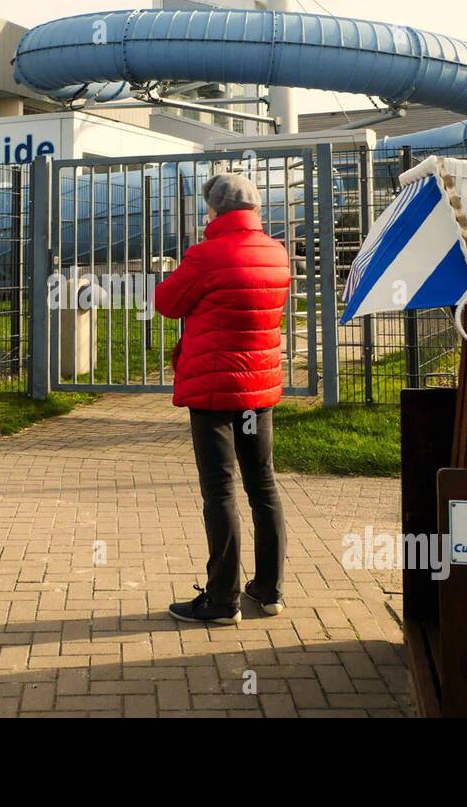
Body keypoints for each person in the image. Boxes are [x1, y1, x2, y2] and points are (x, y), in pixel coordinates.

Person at [154, 172, 291, 625]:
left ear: (214, 210)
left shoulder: (206, 254)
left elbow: (167, 302)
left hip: (214, 390)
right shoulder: (277, 254)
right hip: (259, 388)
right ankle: (268, 591)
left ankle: (221, 600)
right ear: (254, 210)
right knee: (263, 486)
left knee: (220, 491)